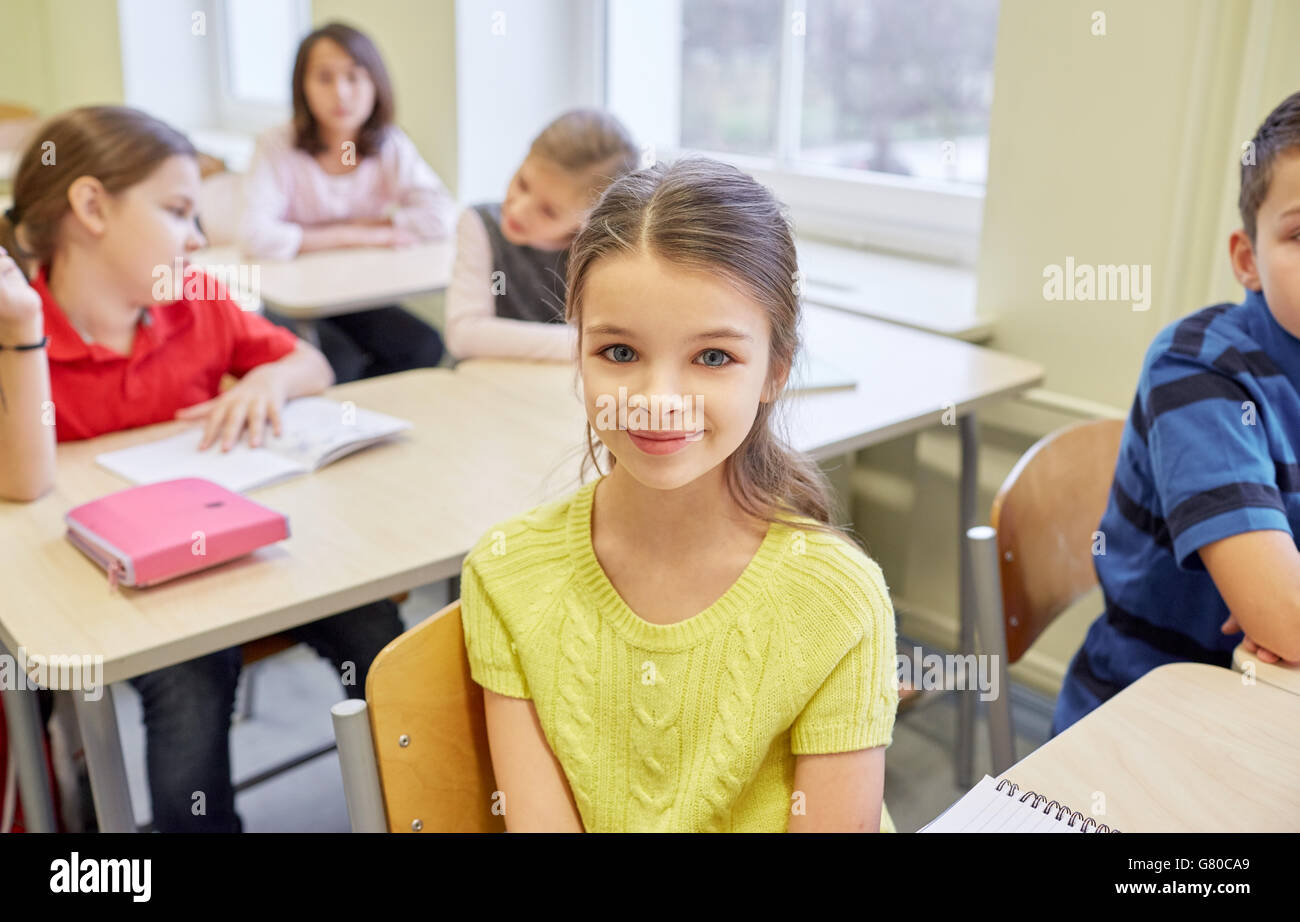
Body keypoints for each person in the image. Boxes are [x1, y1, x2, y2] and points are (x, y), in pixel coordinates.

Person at [459, 159, 900, 832]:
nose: (659, 402)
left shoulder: (840, 601)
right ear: (576, 353)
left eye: (713, 357)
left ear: (774, 371)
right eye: (619, 352)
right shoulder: (507, 575)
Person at [0, 106, 403, 831]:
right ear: (91, 206)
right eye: (179, 212)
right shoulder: (18, 336)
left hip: (240, 556)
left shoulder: (199, 302)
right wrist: (20, 339)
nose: (198, 239)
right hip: (122, 598)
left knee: (379, 630)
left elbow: (306, 359)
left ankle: (425, 797)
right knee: (190, 680)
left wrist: (265, 382)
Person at [1052, 90, 1300, 735]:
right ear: (1248, 260)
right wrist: (1279, 601)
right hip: (1147, 724)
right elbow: (1288, 617)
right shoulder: (1198, 368)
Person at [240, 21, 456, 382]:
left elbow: (441, 217)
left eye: (354, 77)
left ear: (375, 85)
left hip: (358, 294)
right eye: (324, 78)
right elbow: (255, 237)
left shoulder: (388, 143)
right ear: (302, 86)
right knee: (338, 363)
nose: (341, 93)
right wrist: (360, 234)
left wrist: (316, 234)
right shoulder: (277, 144)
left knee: (424, 347)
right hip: (295, 297)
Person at [444, 109, 637, 362]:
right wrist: (587, 344)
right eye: (522, 183)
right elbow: (463, 335)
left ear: (586, 221)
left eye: (548, 211)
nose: (517, 209)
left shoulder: (603, 252)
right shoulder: (479, 224)